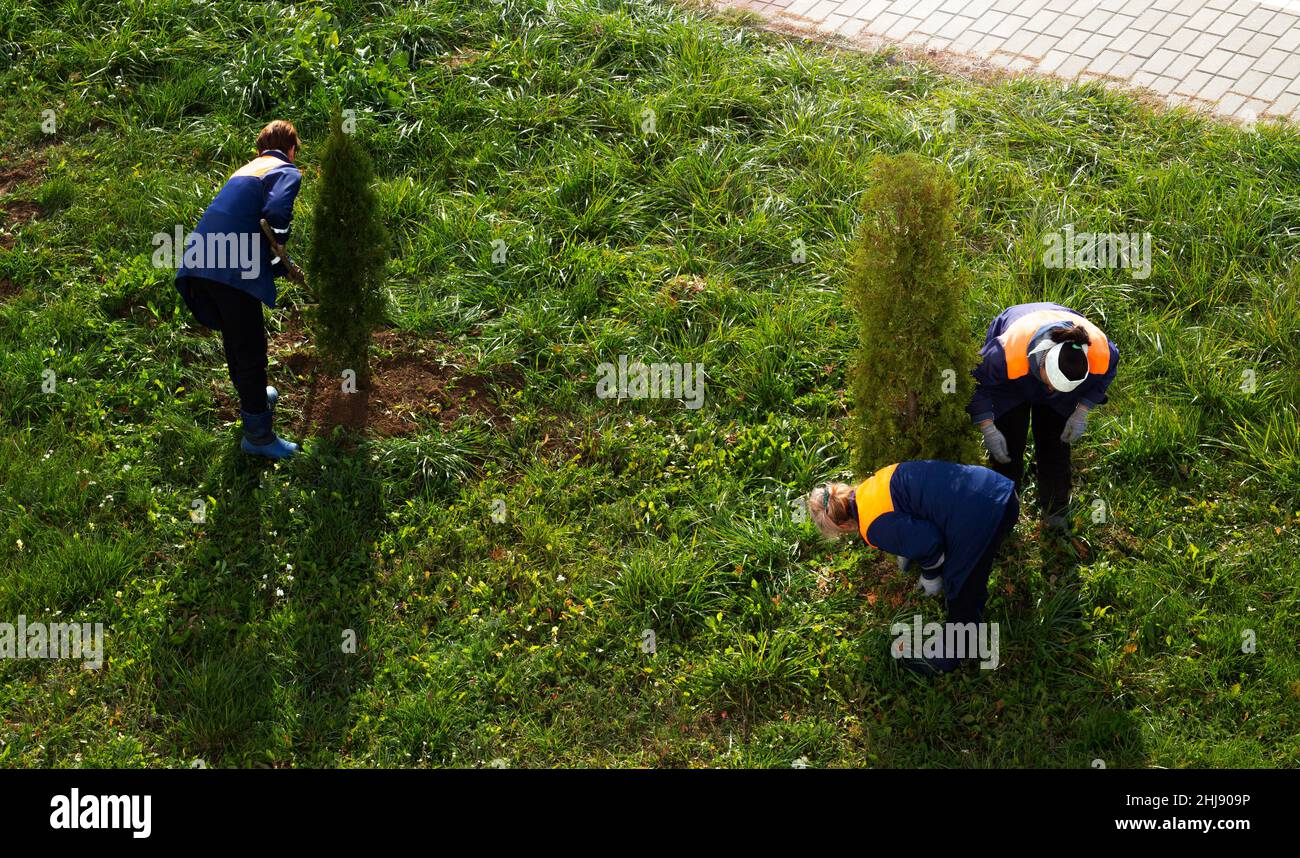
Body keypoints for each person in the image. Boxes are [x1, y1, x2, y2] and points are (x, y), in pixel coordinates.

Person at [808, 460, 1018, 674]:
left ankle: (952, 653)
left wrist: (931, 576)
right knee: (967, 558)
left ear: (843, 526)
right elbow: (914, 505)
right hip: (998, 490)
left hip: (985, 515)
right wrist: (905, 546)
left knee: (960, 586)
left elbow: (930, 543)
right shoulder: (875, 481)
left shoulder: (873, 527)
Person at [175, 119, 303, 459]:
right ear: (291, 149)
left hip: (201, 259)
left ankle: (255, 398)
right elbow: (275, 214)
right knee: (249, 345)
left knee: (237, 337)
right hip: (232, 267)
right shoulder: (284, 169)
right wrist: (279, 260)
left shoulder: (247, 169)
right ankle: (258, 437)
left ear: (260, 149)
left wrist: (274, 265)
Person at [968, 302, 1119, 531]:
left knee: (1055, 444)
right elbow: (976, 382)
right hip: (1010, 385)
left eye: (1060, 389)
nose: (1052, 393)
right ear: (1041, 360)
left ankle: (1055, 511)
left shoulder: (1101, 352)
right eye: (1051, 385)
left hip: (1055, 377)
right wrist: (988, 426)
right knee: (1007, 448)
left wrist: (1081, 411)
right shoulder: (1005, 353)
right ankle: (1003, 509)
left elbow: (1106, 375)